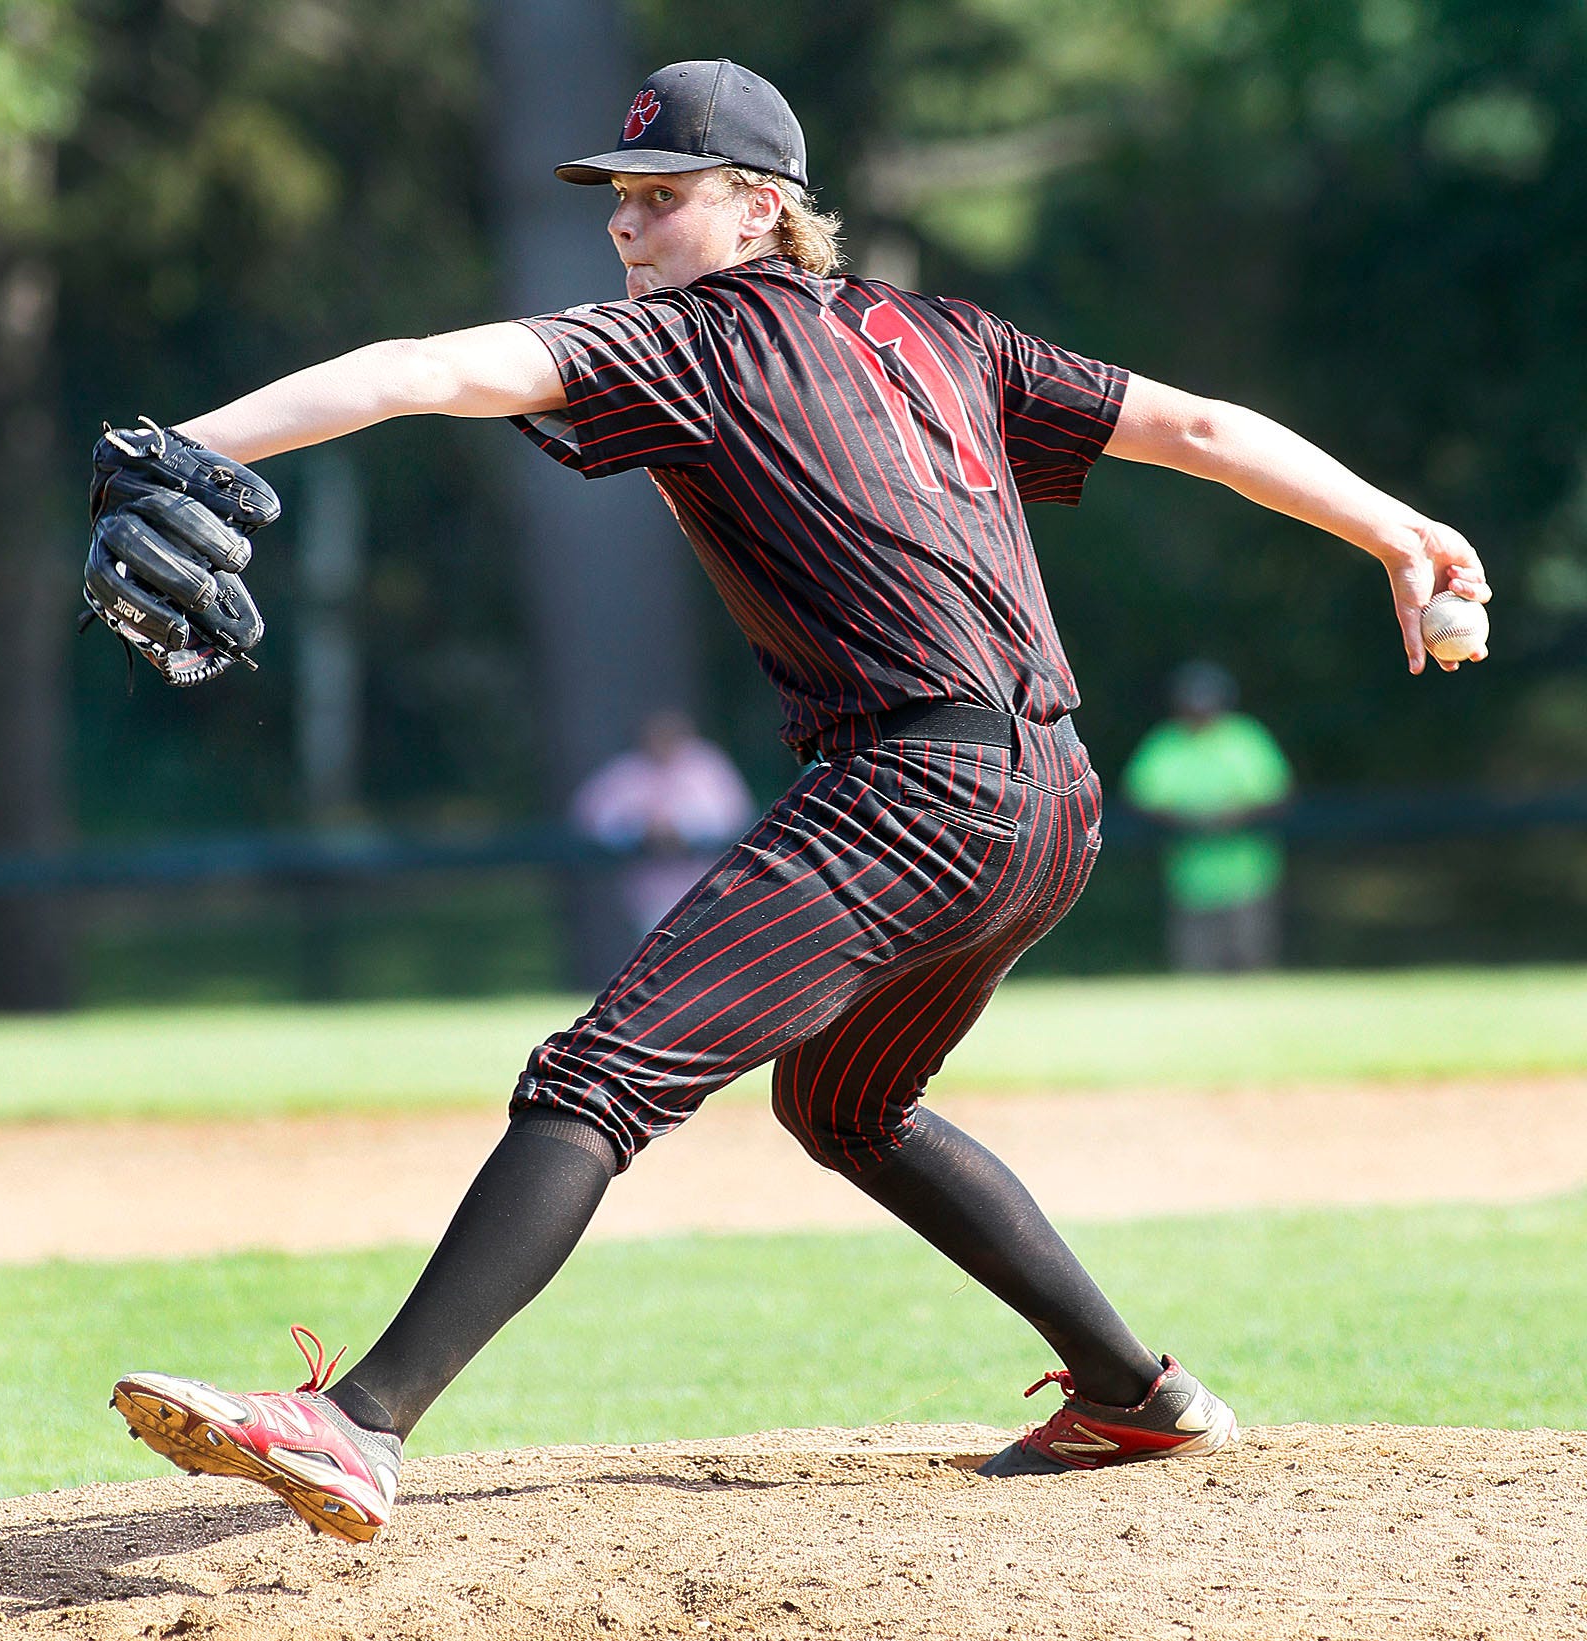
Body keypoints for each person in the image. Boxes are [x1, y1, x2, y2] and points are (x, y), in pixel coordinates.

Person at [110, 58, 1490, 1542]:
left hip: (918, 786)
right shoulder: (945, 332)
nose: (629, 226)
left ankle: (358, 1423)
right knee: (848, 1102)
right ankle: (1132, 1391)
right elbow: (1203, 433)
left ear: (764, 205)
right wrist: (1396, 526)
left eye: (663, 195)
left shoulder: (690, 345)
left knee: (603, 1072)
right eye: (619, 198)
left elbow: (424, 367)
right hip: (1051, 800)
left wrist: (189, 443)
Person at [1122, 662, 1294, 971]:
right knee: (1196, 972)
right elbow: (1141, 802)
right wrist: (1189, 822)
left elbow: (1277, 798)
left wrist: (1232, 819)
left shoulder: (1245, 738)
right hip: (1189, 880)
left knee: (1252, 966)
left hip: (1248, 877)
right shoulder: (1167, 742)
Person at [572, 709, 756, 944]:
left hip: (711, 885)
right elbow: (591, 818)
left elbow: (732, 815)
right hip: (649, 892)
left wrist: (682, 828)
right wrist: (638, 828)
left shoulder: (706, 766)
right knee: (662, 954)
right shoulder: (628, 771)